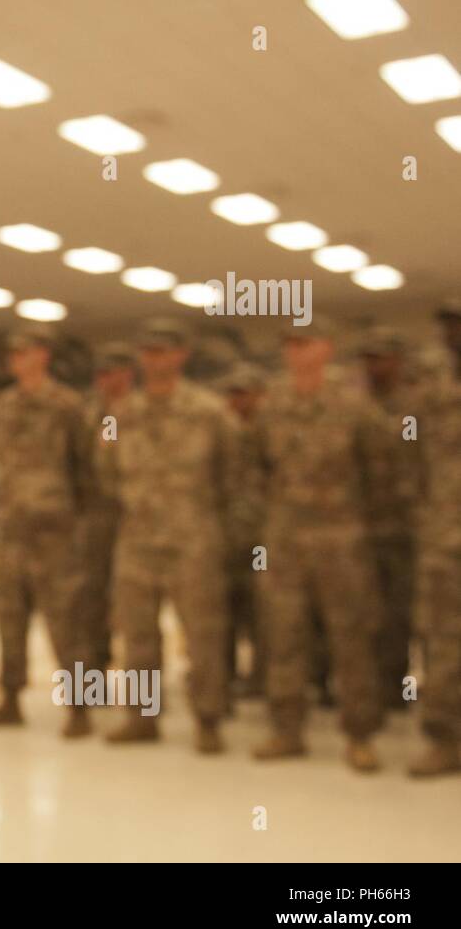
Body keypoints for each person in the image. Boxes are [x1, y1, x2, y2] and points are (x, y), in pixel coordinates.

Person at [252, 327, 388, 773]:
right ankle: (287, 729)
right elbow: (256, 467)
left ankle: (360, 735)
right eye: (290, 345)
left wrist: (359, 521)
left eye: (305, 343)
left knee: (352, 639)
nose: (297, 352)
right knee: (283, 636)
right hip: (285, 541)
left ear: (326, 348)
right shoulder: (272, 405)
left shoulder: (354, 405)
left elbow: (380, 470)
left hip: (341, 541)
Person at [102, 319, 234, 753]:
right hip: (137, 540)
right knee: (137, 635)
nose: (154, 359)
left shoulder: (210, 411)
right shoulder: (119, 415)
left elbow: (234, 475)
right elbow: (105, 472)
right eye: (147, 351)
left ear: (181, 355)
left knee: (202, 635)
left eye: (162, 350)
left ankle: (208, 720)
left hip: (192, 541)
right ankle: (142, 718)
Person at [0, 325, 91, 736]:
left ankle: (79, 708)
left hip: (55, 528)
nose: (16, 360)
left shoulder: (67, 405)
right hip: (13, 526)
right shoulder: (4, 405)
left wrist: (74, 519)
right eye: (13, 354)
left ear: (43, 355)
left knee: (65, 619)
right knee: (10, 615)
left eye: (24, 352)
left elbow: (85, 467)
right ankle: (10, 698)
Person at [407, 302, 461, 777]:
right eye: (449, 326)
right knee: (441, 641)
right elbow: (410, 462)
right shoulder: (431, 396)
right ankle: (445, 738)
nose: (453, 334)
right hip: (444, 538)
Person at [358, 326, 418, 710]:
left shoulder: (416, 405)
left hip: (406, 527)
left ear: (397, 360)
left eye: (380, 358)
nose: (374, 366)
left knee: (403, 613)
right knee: (363, 613)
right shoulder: (354, 405)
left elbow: (419, 455)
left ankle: (399, 688)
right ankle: (366, 688)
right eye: (368, 359)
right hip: (361, 526)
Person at [76, 342, 136, 672]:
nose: (105, 380)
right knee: (92, 593)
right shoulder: (87, 415)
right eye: (100, 374)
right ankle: (96, 665)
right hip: (98, 514)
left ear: (127, 374)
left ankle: (143, 675)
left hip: (138, 515)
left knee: (137, 598)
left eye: (112, 373)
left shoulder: (142, 411)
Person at [220, 364, 268, 696]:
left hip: (262, 540)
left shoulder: (270, 432)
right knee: (224, 609)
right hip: (227, 537)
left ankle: (262, 677)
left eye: (245, 394)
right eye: (233, 394)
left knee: (262, 610)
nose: (238, 401)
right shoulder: (221, 432)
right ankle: (224, 676)